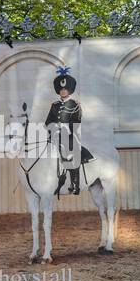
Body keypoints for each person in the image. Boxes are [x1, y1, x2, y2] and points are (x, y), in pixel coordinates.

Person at [46, 65, 88, 195]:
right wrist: (52, 128)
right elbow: (48, 121)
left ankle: (74, 184)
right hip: (54, 136)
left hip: (70, 136)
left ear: (70, 90)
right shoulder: (55, 105)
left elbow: (76, 122)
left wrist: (63, 128)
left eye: (65, 89)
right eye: (61, 89)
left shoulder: (75, 105)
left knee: (70, 152)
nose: (63, 91)